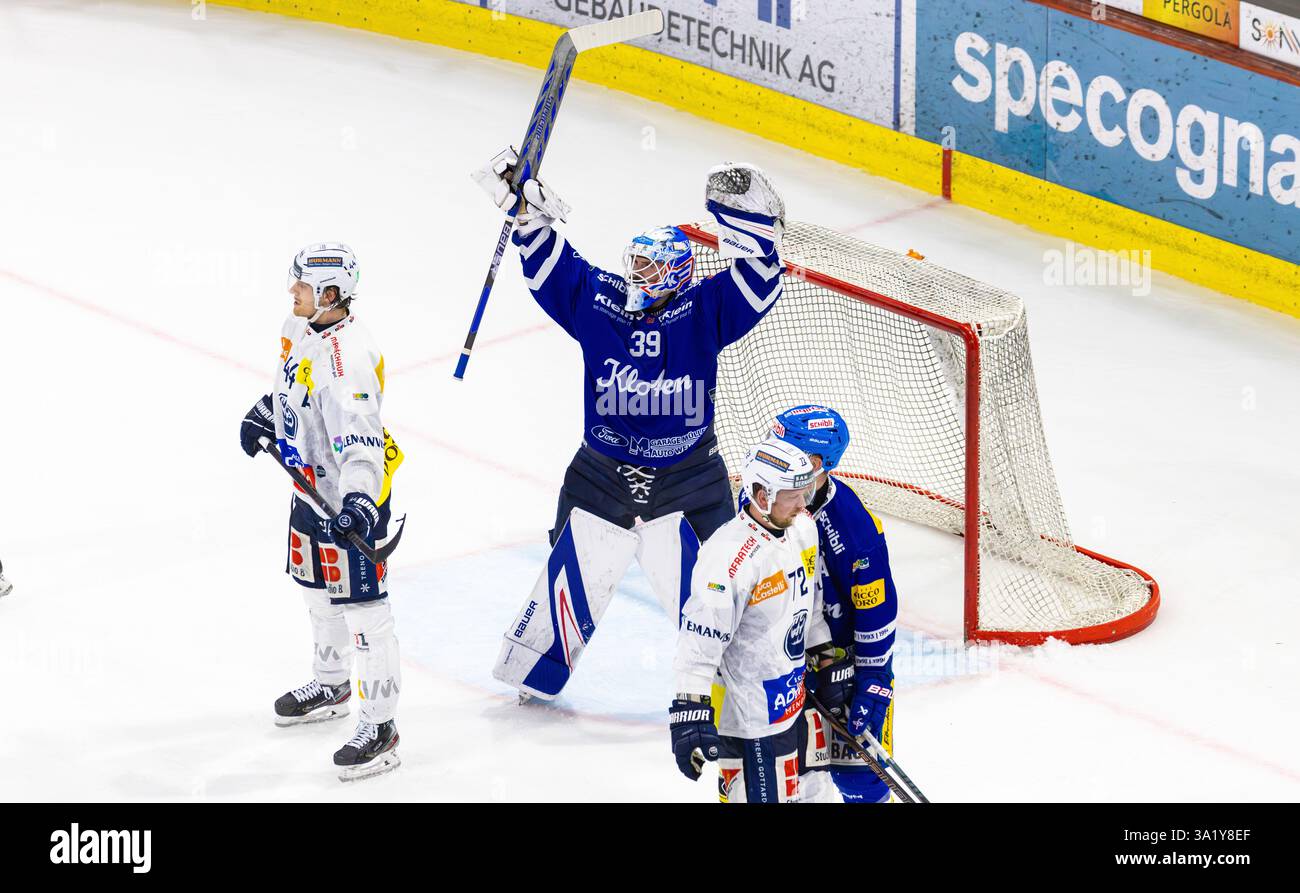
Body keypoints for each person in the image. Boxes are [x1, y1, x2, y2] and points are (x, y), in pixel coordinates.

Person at [477, 153, 792, 701]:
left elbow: (763, 282)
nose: (635, 276)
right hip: (600, 476)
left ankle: (744, 685)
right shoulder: (601, 306)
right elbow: (557, 271)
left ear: (674, 273)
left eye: (648, 268)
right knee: (568, 575)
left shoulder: (702, 310)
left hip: (689, 480)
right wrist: (528, 216)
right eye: (634, 264)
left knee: (718, 589)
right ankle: (535, 674)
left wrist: (753, 228)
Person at [237, 242, 404, 782]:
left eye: (302, 285)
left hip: (349, 500)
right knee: (316, 591)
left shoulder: (348, 357)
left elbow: (364, 443)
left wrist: (358, 504)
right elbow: (294, 384)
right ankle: (331, 684)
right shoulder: (302, 326)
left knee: (365, 615)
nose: (292, 292)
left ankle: (381, 726)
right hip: (309, 488)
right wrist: (269, 411)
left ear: (330, 294)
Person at [668, 437, 834, 803]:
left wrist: (822, 652)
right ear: (763, 497)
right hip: (749, 721)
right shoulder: (727, 558)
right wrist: (688, 708)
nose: (804, 502)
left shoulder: (803, 529)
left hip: (793, 701)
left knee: (813, 793)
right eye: (793, 495)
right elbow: (698, 643)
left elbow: (809, 602)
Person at [767, 405, 900, 803]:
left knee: (862, 780)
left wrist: (872, 682)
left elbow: (877, 611)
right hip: (777, 660)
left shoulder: (855, 529)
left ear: (818, 463)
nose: (776, 461)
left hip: (844, 667)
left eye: (789, 452)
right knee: (771, 775)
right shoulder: (761, 498)